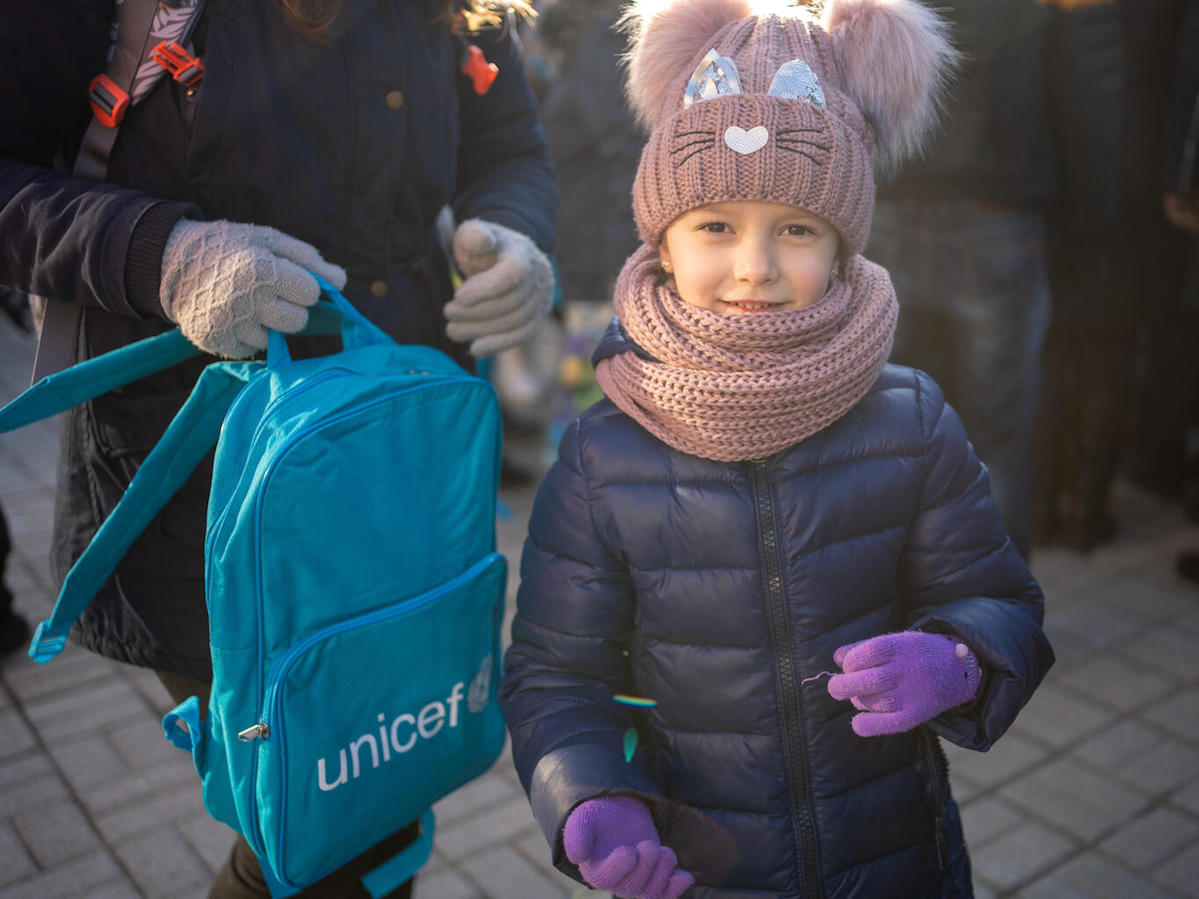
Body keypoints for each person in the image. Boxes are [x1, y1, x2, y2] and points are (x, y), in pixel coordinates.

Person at [0, 0, 556, 896]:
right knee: (321, 827)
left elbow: (509, 144)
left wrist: (516, 234)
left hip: (397, 471)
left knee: (383, 795)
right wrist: (166, 254)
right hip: (207, 493)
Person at [499, 1, 1054, 897]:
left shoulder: (908, 419)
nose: (754, 264)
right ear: (662, 239)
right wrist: (588, 795)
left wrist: (960, 657)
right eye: (714, 225)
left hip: (896, 860)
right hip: (702, 868)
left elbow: (999, 598)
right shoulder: (604, 448)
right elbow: (555, 671)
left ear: (841, 243)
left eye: (795, 227)